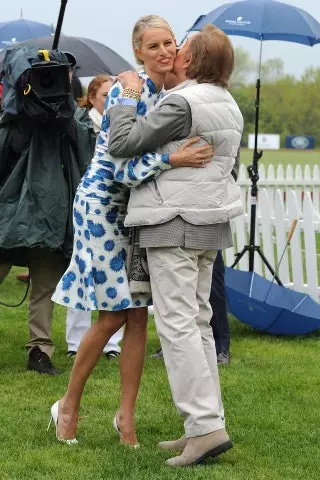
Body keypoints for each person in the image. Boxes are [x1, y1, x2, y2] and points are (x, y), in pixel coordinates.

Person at [50, 15, 212, 447]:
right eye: (154, 45)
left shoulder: (171, 92)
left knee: (140, 314)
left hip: (140, 212)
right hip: (103, 206)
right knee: (114, 314)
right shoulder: (128, 89)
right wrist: (171, 162)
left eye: (169, 43)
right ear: (139, 51)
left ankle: (127, 420)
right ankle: (68, 404)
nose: (163, 51)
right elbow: (121, 167)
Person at [106, 25, 243, 467]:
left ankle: (204, 427)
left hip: (174, 220)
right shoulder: (228, 104)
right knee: (198, 323)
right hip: (209, 223)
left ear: (196, 59)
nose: (174, 52)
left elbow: (123, 143)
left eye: (182, 48)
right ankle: (204, 424)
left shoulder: (184, 103)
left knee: (178, 326)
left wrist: (126, 101)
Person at [0, 47, 95, 375]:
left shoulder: (73, 119)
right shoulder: (11, 119)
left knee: (44, 286)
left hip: (49, 215)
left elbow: (86, 147)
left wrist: (61, 113)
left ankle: (39, 351)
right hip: (9, 214)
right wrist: (21, 116)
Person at [66, 75, 123, 359]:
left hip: (117, 204)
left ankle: (112, 344)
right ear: (92, 97)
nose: (108, 100)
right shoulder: (82, 123)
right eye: (104, 96)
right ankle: (76, 341)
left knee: (115, 275)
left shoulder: (122, 120)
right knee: (84, 268)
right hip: (91, 202)